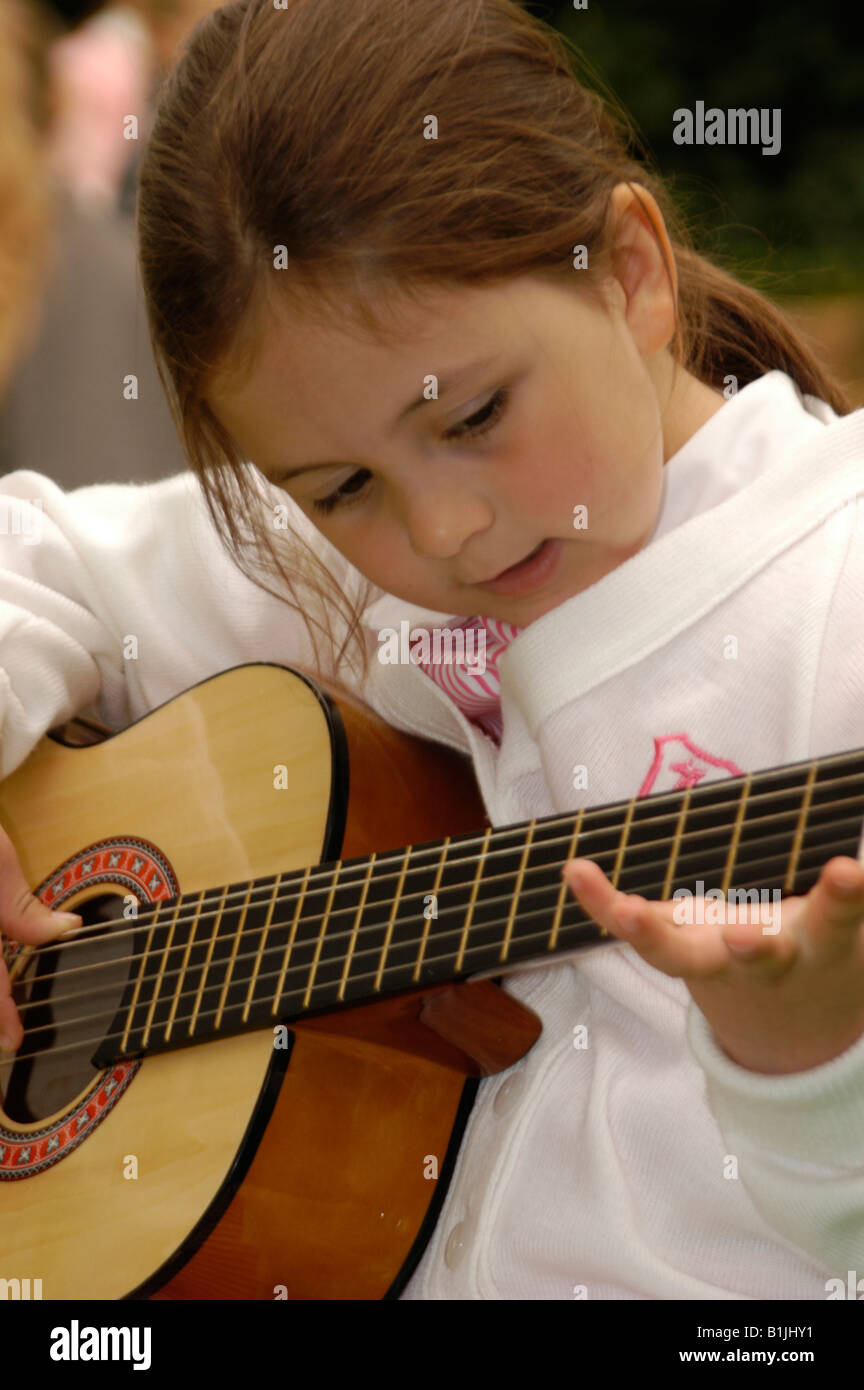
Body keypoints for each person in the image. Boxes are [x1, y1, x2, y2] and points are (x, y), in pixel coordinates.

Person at [1, 0, 863, 1300]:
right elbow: (40, 549)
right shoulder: (364, 575)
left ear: (631, 269)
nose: (443, 531)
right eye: (338, 485)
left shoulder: (832, 594)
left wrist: (811, 1066)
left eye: (474, 415)